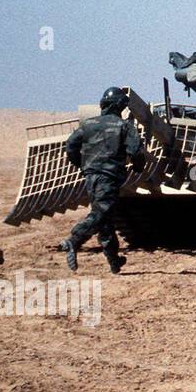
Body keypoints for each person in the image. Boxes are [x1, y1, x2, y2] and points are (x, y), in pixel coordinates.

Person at [61, 87, 146, 273]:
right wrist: (139, 167)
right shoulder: (124, 126)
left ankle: (114, 261)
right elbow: (137, 152)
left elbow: (70, 146)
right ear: (120, 106)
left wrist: (82, 164)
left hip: (90, 176)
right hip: (109, 177)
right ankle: (74, 240)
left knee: (104, 217)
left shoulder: (88, 125)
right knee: (101, 214)